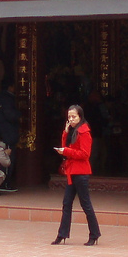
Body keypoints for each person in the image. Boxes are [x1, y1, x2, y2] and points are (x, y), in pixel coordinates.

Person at [51, 104, 101, 246]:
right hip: (72, 172)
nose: (71, 119)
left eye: (74, 117)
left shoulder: (84, 132)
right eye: (69, 117)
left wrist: (66, 152)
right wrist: (65, 133)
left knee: (86, 204)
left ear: (80, 116)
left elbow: (85, 154)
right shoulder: (73, 131)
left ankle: (94, 234)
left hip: (81, 172)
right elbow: (65, 148)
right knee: (67, 203)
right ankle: (62, 234)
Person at [0, 78, 20, 192]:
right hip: (7, 133)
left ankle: (0, 182)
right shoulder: (8, 99)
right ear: (10, 87)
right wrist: (19, 113)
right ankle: (5, 183)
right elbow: (10, 115)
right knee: (7, 159)